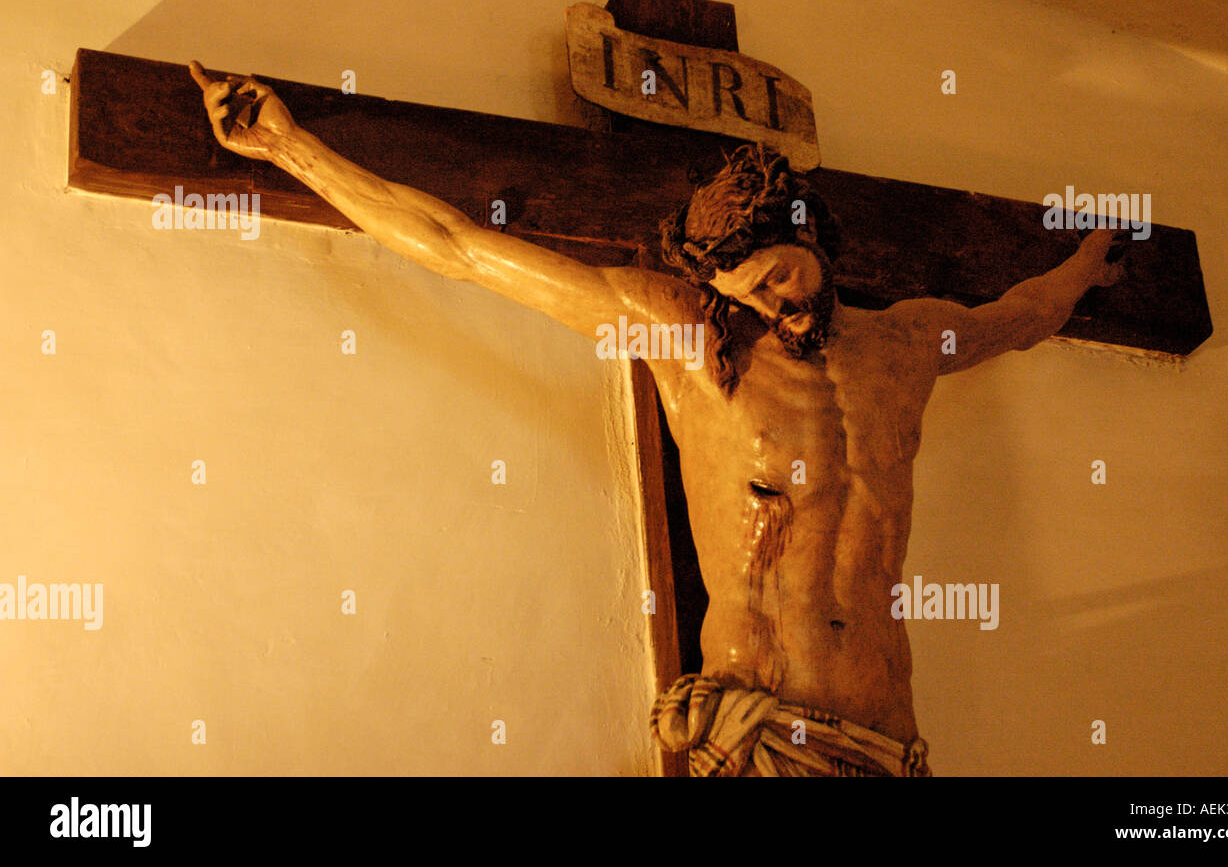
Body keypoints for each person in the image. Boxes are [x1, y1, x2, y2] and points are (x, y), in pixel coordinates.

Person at [190, 62, 1125, 776]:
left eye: (781, 279)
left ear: (809, 234)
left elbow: (1023, 316)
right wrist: (286, 146)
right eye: (748, 295)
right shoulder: (683, 341)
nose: (773, 306)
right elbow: (462, 249)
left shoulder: (911, 343)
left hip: (889, 739)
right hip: (763, 732)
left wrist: (1090, 261)